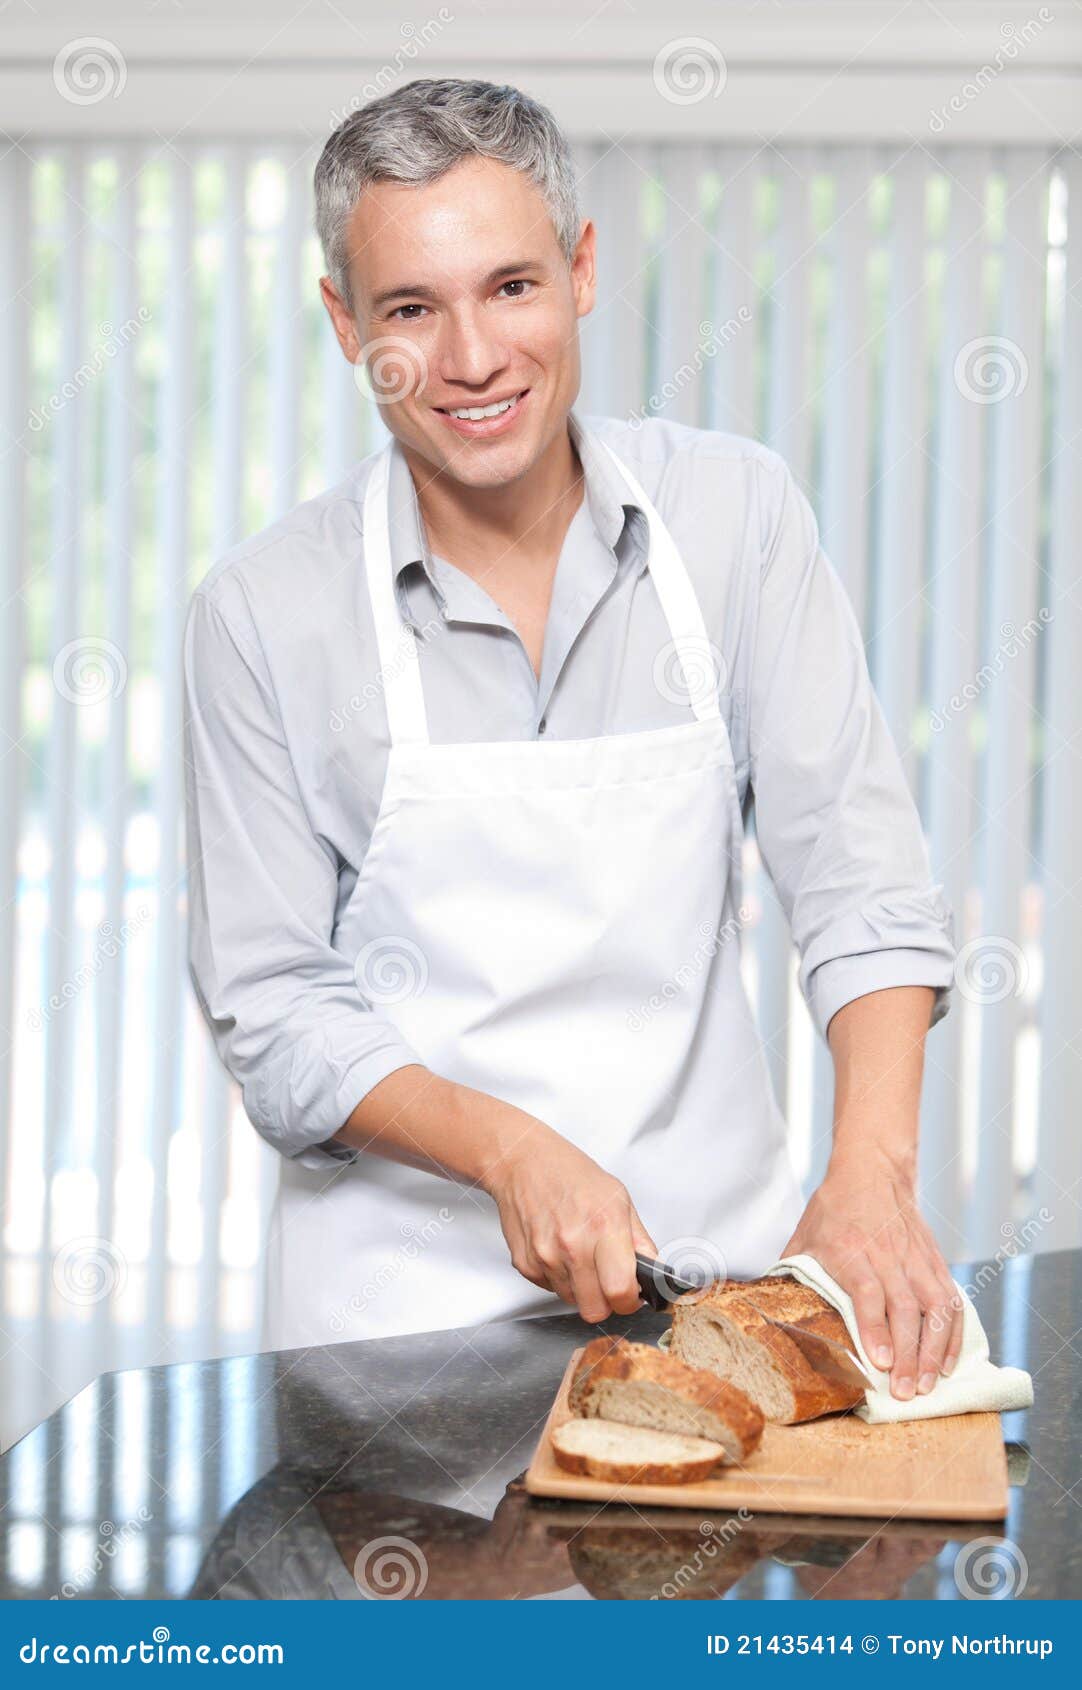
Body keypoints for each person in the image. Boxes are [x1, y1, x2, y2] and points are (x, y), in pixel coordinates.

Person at [183, 78, 960, 1400]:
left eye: (511, 287)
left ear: (582, 268)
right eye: (411, 310)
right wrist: (505, 1148)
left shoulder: (735, 518)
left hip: (713, 1298)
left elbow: (860, 885)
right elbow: (270, 1001)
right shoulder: (262, 609)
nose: (474, 358)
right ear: (342, 322)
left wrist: (870, 1176)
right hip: (390, 1343)